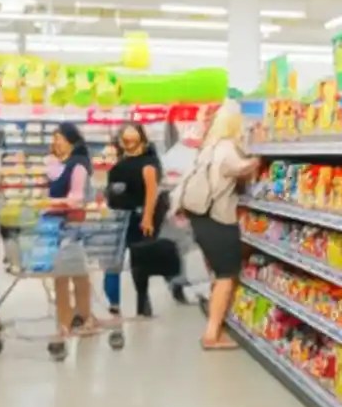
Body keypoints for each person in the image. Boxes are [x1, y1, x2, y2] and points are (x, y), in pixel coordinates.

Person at [175, 106, 258, 350]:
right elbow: (239, 169)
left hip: (200, 217)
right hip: (218, 219)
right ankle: (212, 334)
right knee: (226, 277)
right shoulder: (227, 149)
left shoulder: (208, 148)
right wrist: (256, 159)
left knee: (217, 273)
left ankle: (216, 324)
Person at [106, 122, 178, 317]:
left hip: (138, 216)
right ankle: (129, 300)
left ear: (142, 140)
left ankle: (143, 299)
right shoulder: (120, 163)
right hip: (120, 217)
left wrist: (146, 218)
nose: (128, 143)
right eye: (125, 139)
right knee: (130, 259)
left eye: (133, 139)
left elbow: (151, 192)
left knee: (140, 258)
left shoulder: (148, 163)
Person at [45, 122, 99, 335]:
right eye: (54, 138)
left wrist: (51, 204)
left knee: (72, 274)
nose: (55, 142)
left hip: (73, 225)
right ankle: (69, 321)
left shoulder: (78, 165)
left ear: (71, 141)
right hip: (60, 225)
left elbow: (76, 199)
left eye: (59, 138)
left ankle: (78, 320)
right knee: (67, 274)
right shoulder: (64, 164)